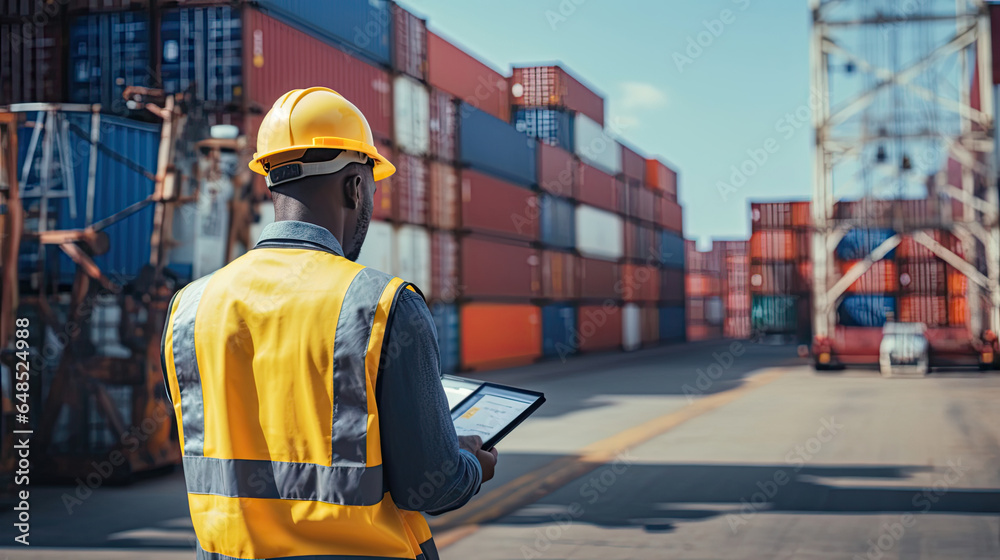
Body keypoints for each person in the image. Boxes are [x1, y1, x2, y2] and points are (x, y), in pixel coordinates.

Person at [161, 87, 498, 560]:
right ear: (355, 187)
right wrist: (471, 464)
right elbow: (433, 486)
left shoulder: (189, 308)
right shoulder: (383, 304)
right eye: (372, 188)